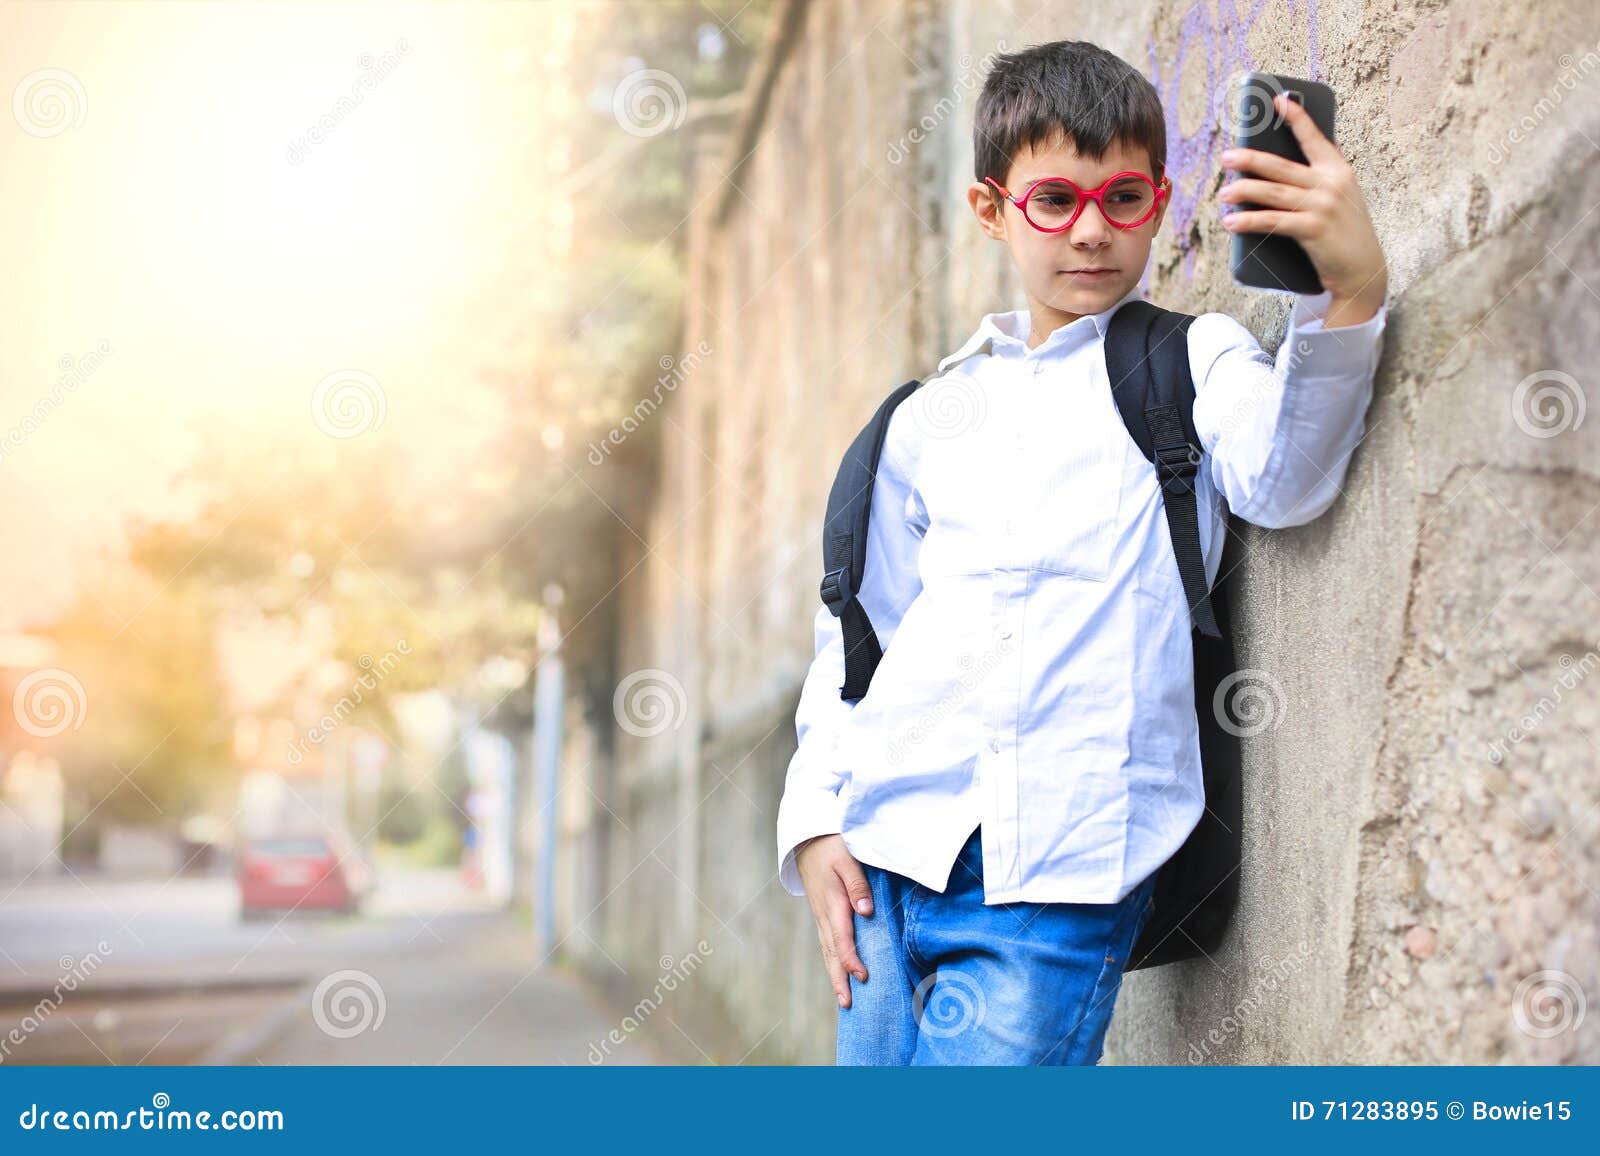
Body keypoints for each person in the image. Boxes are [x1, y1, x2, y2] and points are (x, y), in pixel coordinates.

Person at [775, 40, 1388, 1066]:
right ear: (990, 208)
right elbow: (855, 639)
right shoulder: (929, 416)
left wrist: (1351, 293)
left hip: (1060, 880)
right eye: (1054, 199)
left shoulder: (1189, 359)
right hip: (887, 863)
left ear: (1157, 201)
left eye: (1124, 198)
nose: (1093, 231)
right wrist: (814, 820)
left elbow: (1286, 480)